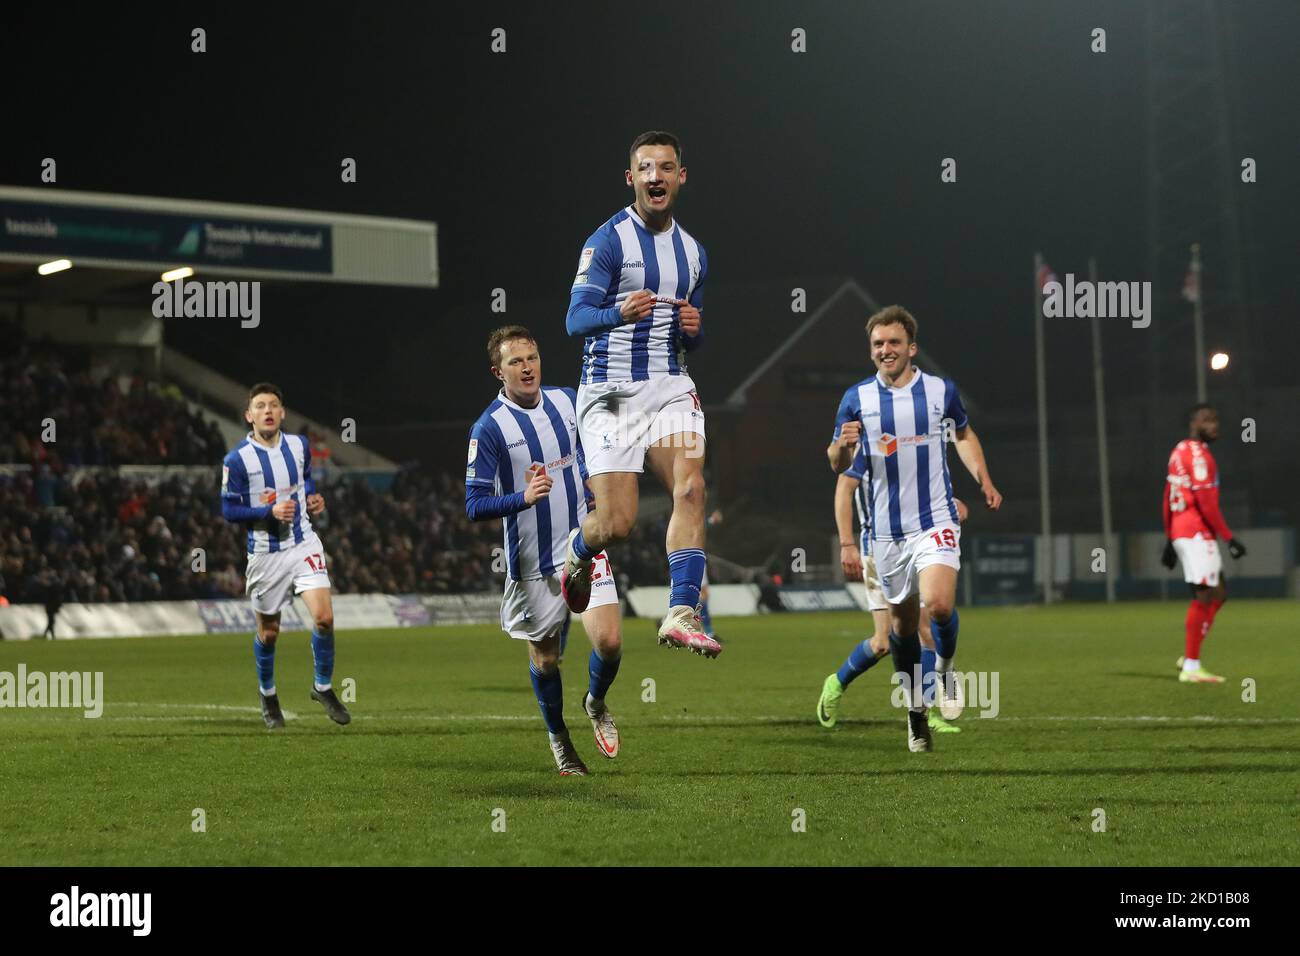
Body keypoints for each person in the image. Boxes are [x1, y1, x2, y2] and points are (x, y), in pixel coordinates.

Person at [559, 130, 720, 659]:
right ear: (632, 178)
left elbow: (687, 335)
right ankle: (579, 554)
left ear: (681, 176)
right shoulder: (606, 242)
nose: (656, 177)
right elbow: (575, 319)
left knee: (691, 488)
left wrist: (694, 330)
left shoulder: (694, 253)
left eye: (666, 167)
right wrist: (616, 313)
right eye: (646, 168)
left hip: (671, 384)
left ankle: (680, 610)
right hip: (612, 392)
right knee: (617, 524)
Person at [828, 306, 1002, 752]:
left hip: (935, 521)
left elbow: (963, 435)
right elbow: (838, 467)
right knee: (902, 633)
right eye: (878, 344)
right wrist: (840, 448)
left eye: (893, 342)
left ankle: (944, 670)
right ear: (871, 351)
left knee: (939, 606)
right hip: (886, 537)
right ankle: (914, 712)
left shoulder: (941, 391)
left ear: (912, 348)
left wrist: (982, 477)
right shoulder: (857, 399)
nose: (886, 350)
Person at [466, 326, 624, 776]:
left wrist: (594, 489)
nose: (527, 367)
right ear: (499, 372)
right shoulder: (489, 428)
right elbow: (474, 505)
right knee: (546, 658)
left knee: (610, 643)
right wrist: (522, 498)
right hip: (533, 563)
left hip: (582, 545)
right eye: (516, 362)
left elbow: (584, 454)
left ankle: (595, 701)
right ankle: (560, 742)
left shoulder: (565, 401)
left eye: (532, 357)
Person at [818, 438, 969, 734]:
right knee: (883, 642)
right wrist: (847, 543)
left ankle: (924, 712)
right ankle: (836, 683)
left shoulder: (912, 437)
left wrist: (949, 504)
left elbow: (920, 488)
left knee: (926, 632)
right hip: (879, 549)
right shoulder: (867, 445)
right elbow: (844, 488)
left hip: (916, 541)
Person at [221, 382, 350, 729]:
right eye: (260, 405)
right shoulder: (237, 460)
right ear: (249, 415)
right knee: (270, 632)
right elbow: (229, 510)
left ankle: (322, 687)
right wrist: (268, 513)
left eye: (273, 405)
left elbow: (304, 481)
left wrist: (312, 498)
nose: (267, 410)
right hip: (265, 554)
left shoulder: (299, 445)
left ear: (281, 413)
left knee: (323, 618)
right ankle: (268, 695)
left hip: (303, 542)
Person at [1160, 403, 1246, 683]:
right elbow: (1207, 504)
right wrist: (1229, 538)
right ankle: (1192, 666)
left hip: (1184, 531)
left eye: (1216, 420)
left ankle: (1190, 655)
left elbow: (1167, 495)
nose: (1214, 425)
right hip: (1196, 532)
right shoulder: (1199, 457)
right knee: (1205, 596)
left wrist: (1169, 537)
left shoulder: (1178, 450)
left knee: (1218, 593)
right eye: (1207, 420)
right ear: (1193, 423)